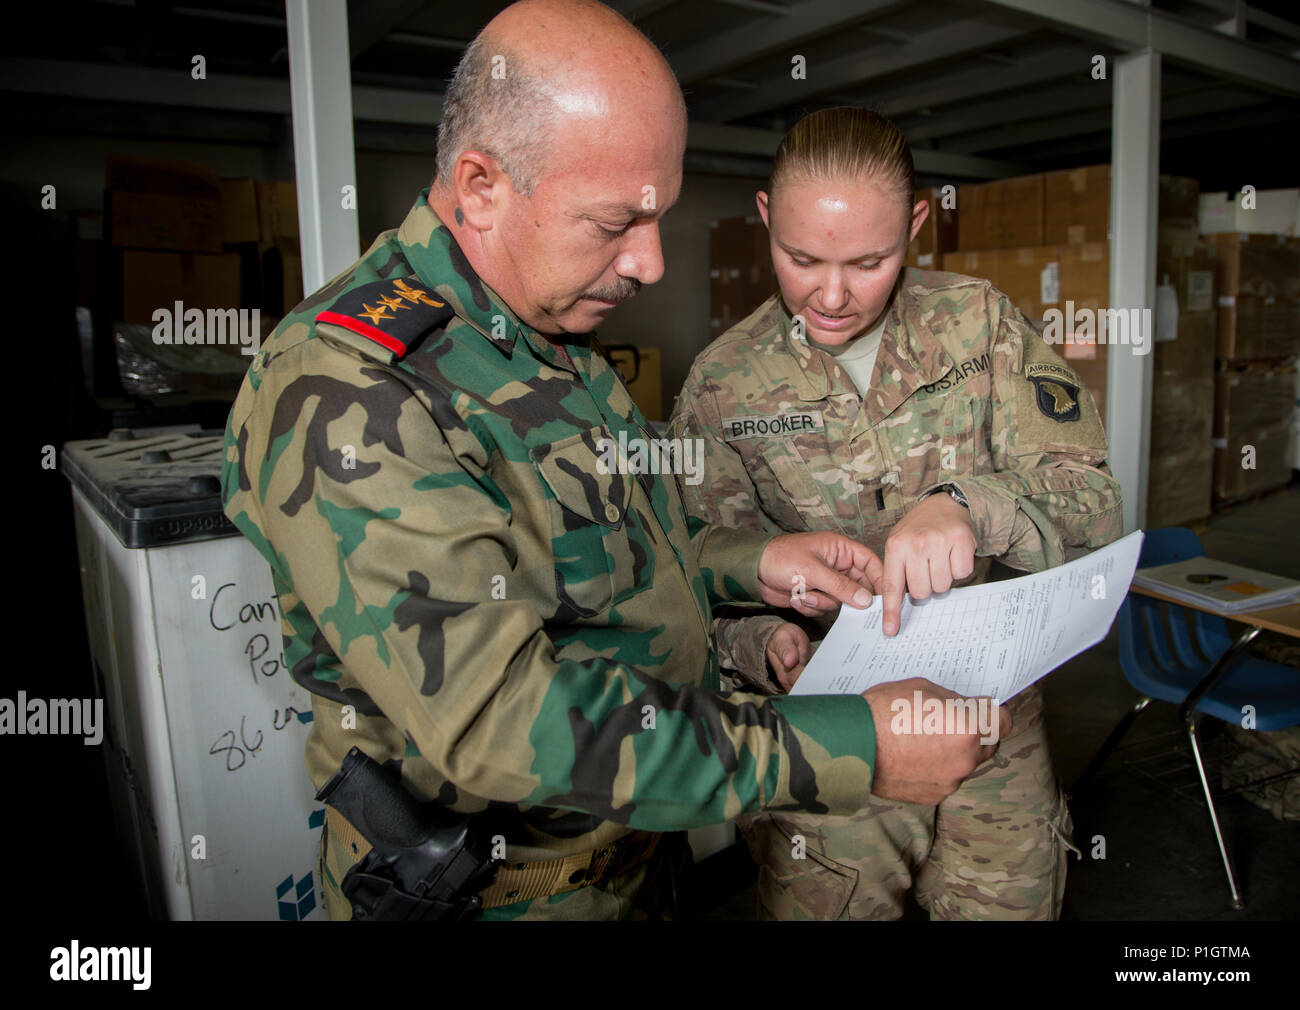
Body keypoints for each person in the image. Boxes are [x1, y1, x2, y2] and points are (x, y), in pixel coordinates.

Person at [221, 2, 1000, 921]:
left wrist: (752, 562)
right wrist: (857, 744)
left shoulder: (545, 330)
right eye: (614, 224)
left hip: (638, 862)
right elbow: (498, 716)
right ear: (480, 185)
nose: (652, 264)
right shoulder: (349, 389)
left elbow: (607, 554)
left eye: (659, 218)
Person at [670, 107, 1124, 920]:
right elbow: (694, 582)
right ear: (766, 218)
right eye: (801, 258)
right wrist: (760, 641)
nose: (833, 294)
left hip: (993, 720)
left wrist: (968, 507)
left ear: (916, 225)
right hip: (835, 745)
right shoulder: (722, 385)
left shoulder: (978, 326)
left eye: (870, 261)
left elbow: (1093, 501)